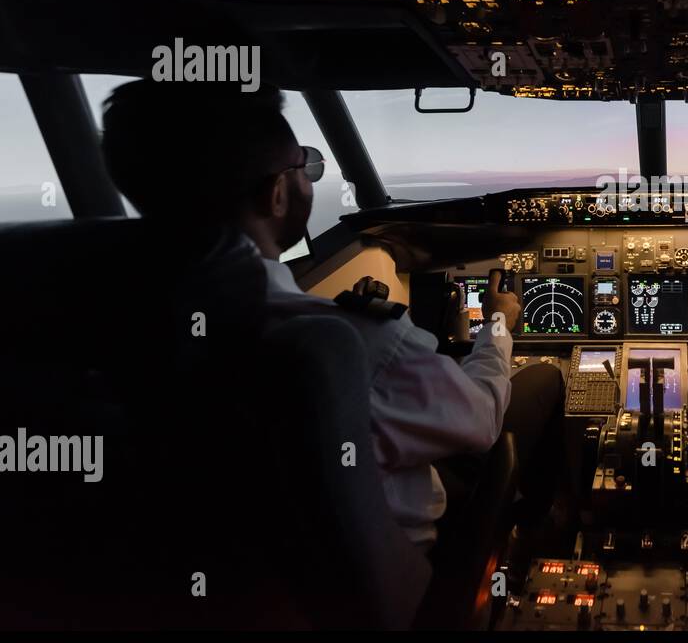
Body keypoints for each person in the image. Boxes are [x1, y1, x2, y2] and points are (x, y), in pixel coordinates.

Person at [98, 81, 564, 550]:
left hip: (232, 569)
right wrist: (498, 324)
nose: (308, 178)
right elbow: (481, 420)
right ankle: (530, 536)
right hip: (392, 568)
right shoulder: (342, 341)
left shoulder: (100, 325)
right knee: (542, 378)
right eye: (306, 165)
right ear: (276, 193)